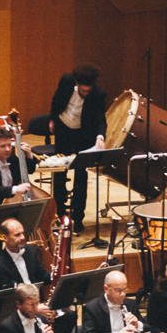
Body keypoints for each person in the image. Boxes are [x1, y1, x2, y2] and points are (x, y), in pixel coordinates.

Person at [46, 63, 109, 226]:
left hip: (83, 132)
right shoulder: (66, 80)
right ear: (76, 83)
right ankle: (59, 212)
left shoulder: (98, 93)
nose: (85, 93)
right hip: (63, 129)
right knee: (60, 170)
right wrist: (53, 118)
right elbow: (56, 99)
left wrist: (100, 136)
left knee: (81, 174)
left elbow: (101, 119)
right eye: (83, 90)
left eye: (88, 91)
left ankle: (78, 216)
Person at [76, 270, 144, 333]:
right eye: (118, 290)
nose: (122, 294)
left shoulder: (130, 304)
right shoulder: (92, 308)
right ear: (106, 289)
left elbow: (147, 327)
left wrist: (137, 324)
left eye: (125, 290)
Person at [0, 217, 52, 295]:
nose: (23, 237)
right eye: (17, 235)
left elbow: (41, 275)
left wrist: (57, 275)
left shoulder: (31, 251)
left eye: (22, 233)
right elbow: (8, 296)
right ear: (5, 238)